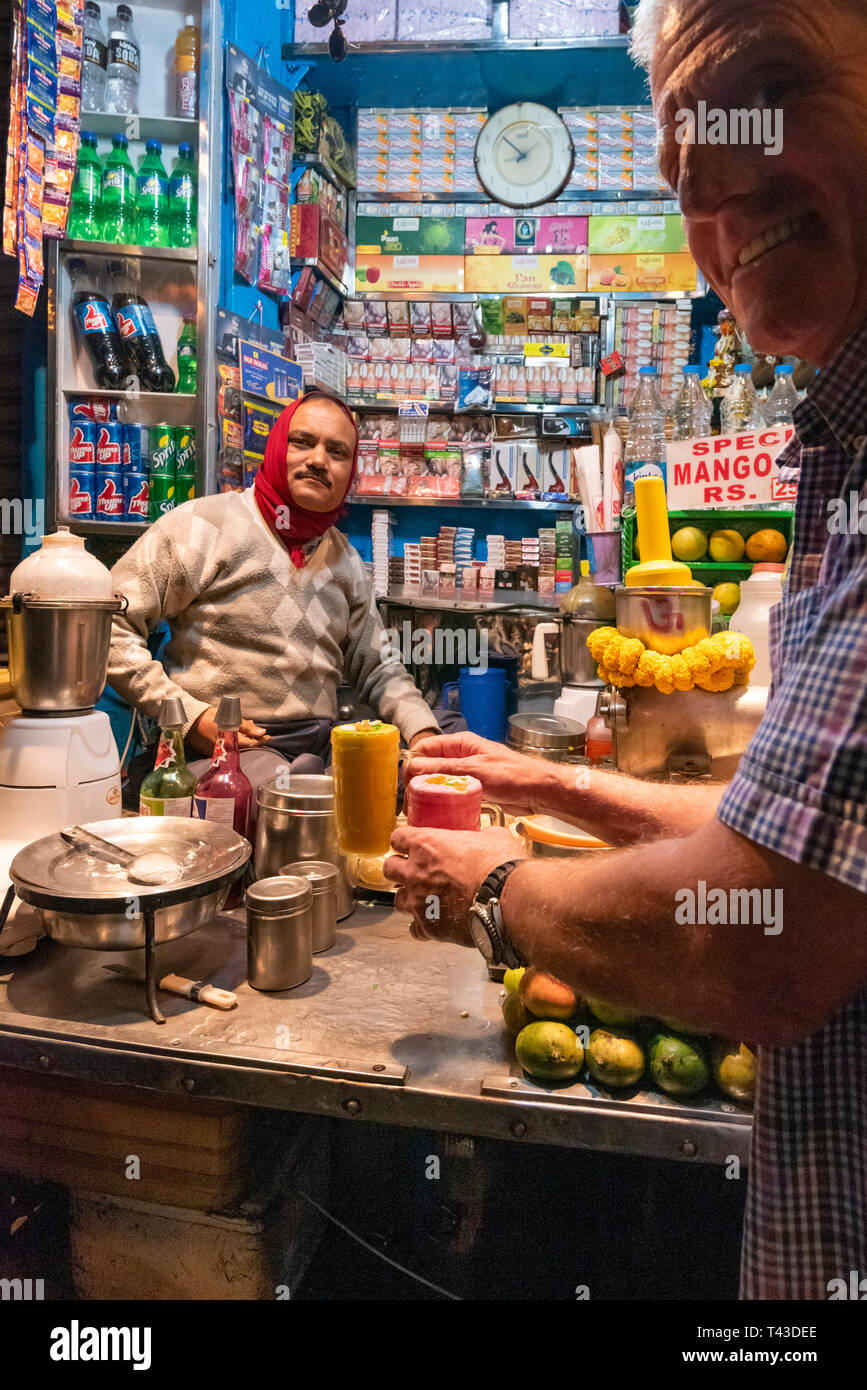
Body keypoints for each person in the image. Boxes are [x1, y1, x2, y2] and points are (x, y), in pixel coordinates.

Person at [386, 0, 867, 1301]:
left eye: (758, 98)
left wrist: (492, 888)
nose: (712, 190)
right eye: (677, 174)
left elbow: (759, 937)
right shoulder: (842, 449)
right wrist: (572, 791)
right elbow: (814, 849)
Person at [107, 391, 441, 782]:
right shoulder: (202, 526)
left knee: (444, 748)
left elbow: (380, 667)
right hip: (224, 750)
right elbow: (108, 625)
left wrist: (424, 736)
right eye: (302, 442)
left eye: (337, 452)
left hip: (318, 748)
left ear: (350, 471)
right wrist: (188, 716)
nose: (318, 460)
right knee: (278, 787)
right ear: (278, 445)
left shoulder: (346, 560)